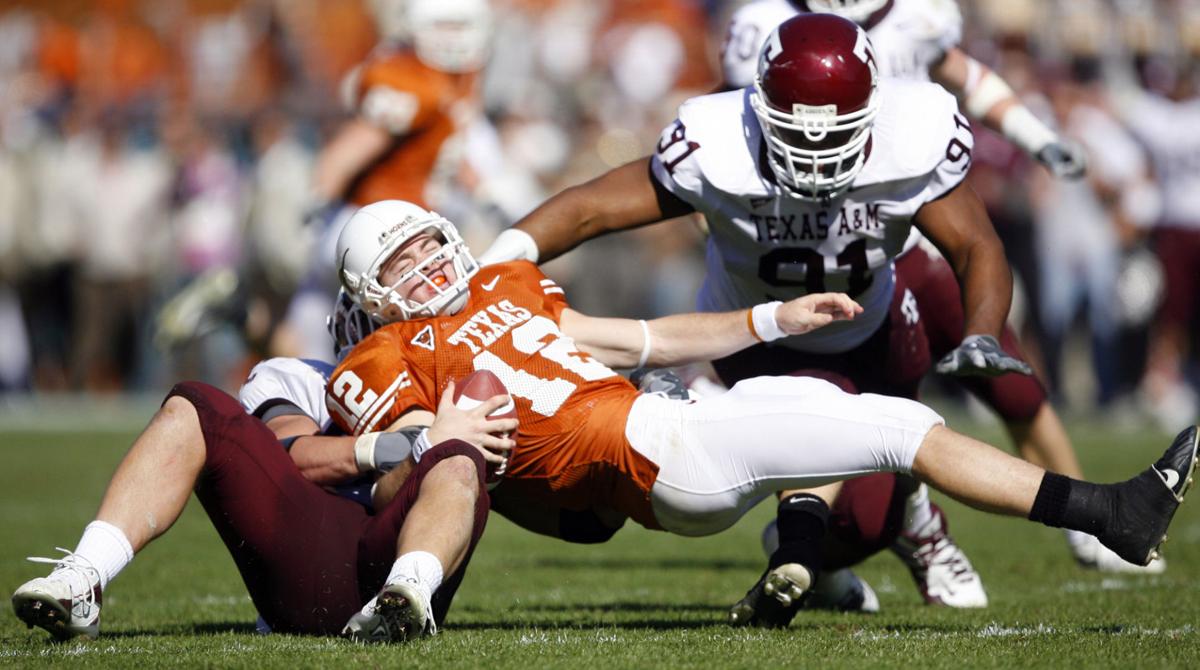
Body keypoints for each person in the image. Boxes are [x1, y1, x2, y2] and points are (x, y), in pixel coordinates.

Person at [328, 198, 1194, 630]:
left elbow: (640, 338)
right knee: (899, 433)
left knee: (843, 404)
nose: (425, 269)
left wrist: (770, 321)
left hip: (667, 426)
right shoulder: (384, 357)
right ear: (371, 292)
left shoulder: (505, 290)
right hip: (653, 455)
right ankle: (1111, 514)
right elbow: (406, 480)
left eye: (426, 247)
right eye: (399, 266)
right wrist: (421, 442)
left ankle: (805, 555)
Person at [712, 0, 1143, 577]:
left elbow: (964, 74)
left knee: (1007, 379)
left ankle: (1089, 524)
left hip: (916, 238)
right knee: (833, 415)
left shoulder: (920, 16)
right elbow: (734, 121)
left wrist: (1035, 136)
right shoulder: (763, 23)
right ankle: (895, 522)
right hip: (817, 248)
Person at [11, 295, 517, 643]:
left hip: (396, 555)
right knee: (196, 403)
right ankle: (84, 578)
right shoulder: (304, 377)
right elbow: (290, 455)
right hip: (309, 550)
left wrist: (442, 445)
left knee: (458, 460)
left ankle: (403, 597)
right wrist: (410, 442)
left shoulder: (468, 385)